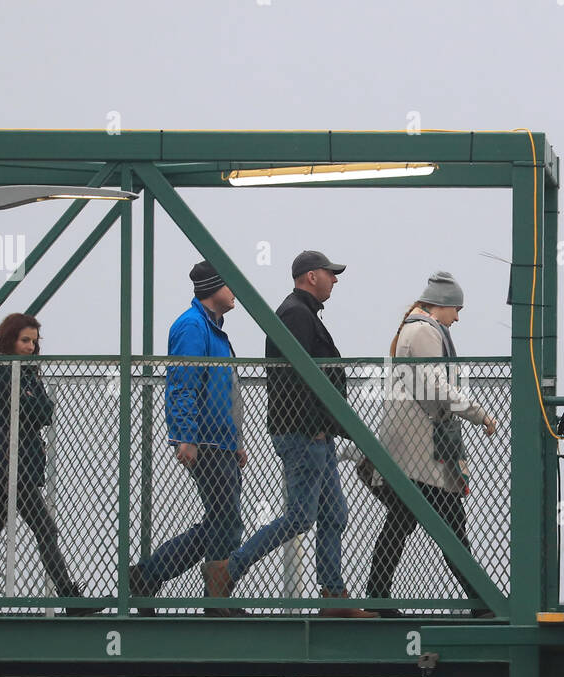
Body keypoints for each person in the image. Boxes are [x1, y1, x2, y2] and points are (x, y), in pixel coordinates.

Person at [203, 250, 377, 618]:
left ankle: (333, 595)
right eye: (330, 273)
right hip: (304, 433)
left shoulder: (301, 312)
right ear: (310, 276)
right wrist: (313, 425)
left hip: (314, 432)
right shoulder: (297, 313)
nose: (335, 279)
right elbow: (294, 378)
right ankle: (228, 570)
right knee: (301, 516)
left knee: (334, 514)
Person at [0, 313, 101, 616]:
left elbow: (44, 411)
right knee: (44, 529)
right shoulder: (3, 369)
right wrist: (33, 402)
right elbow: (32, 409)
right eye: (25, 340)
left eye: (34, 342)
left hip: (15, 464)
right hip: (11, 465)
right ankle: (69, 598)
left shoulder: (25, 373)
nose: (30, 347)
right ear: (10, 338)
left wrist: (34, 401)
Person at [362, 272, 498, 617]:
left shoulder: (416, 328)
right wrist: (478, 413)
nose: (458, 317)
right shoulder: (424, 331)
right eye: (457, 309)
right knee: (450, 524)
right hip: (420, 449)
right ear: (442, 306)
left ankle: (378, 596)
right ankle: (481, 601)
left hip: (414, 447)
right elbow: (435, 386)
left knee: (407, 519)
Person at [128, 262, 246, 615]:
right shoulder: (193, 326)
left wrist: (236, 439)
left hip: (220, 440)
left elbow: (228, 391)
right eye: (229, 284)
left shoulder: (213, 330)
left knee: (220, 520)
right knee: (226, 520)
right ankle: (213, 598)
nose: (235, 290)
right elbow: (183, 384)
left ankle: (148, 576)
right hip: (207, 441)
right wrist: (185, 437)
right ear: (214, 288)